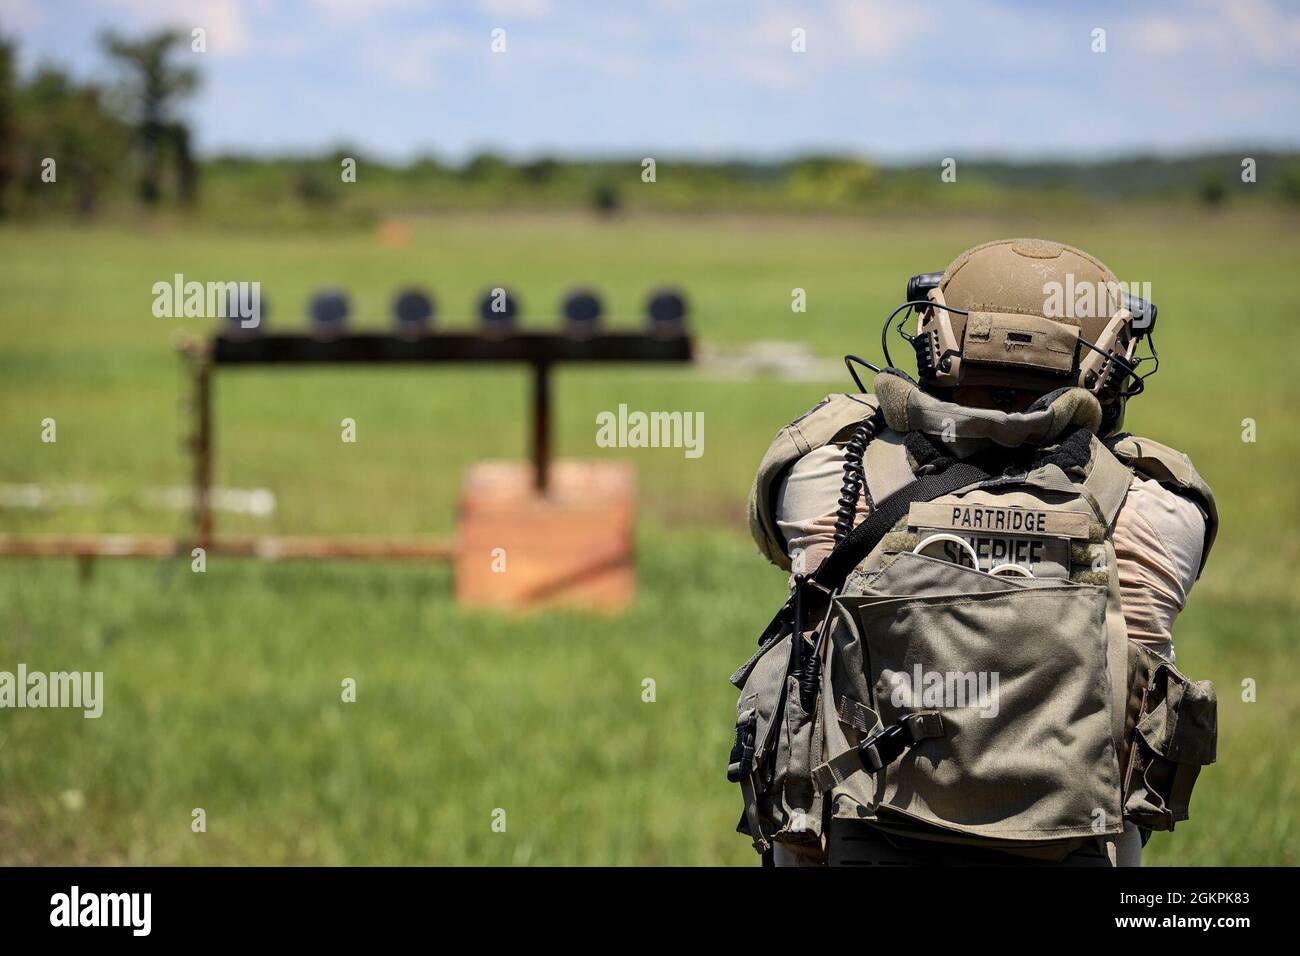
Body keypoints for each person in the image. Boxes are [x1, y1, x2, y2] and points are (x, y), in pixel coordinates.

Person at [736, 239, 1218, 866]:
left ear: (936, 341)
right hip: (1077, 850)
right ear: (1106, 365)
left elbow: (775, 545)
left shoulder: (825, 465)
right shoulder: (1161, 504)